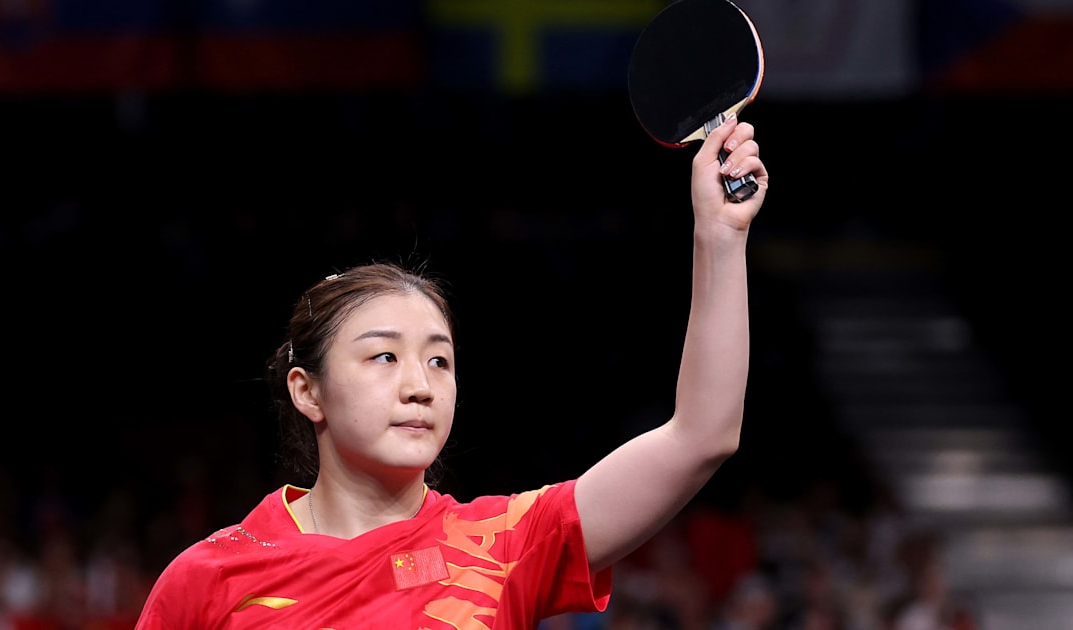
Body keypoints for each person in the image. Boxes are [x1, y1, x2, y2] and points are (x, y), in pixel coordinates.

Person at [134, 114, 769, 629]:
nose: (420, 386)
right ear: (308, 391)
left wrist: (718, 236)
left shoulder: (506, 544)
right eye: (384, 357)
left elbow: (701, 435)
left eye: (439, 360)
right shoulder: (209, 578)